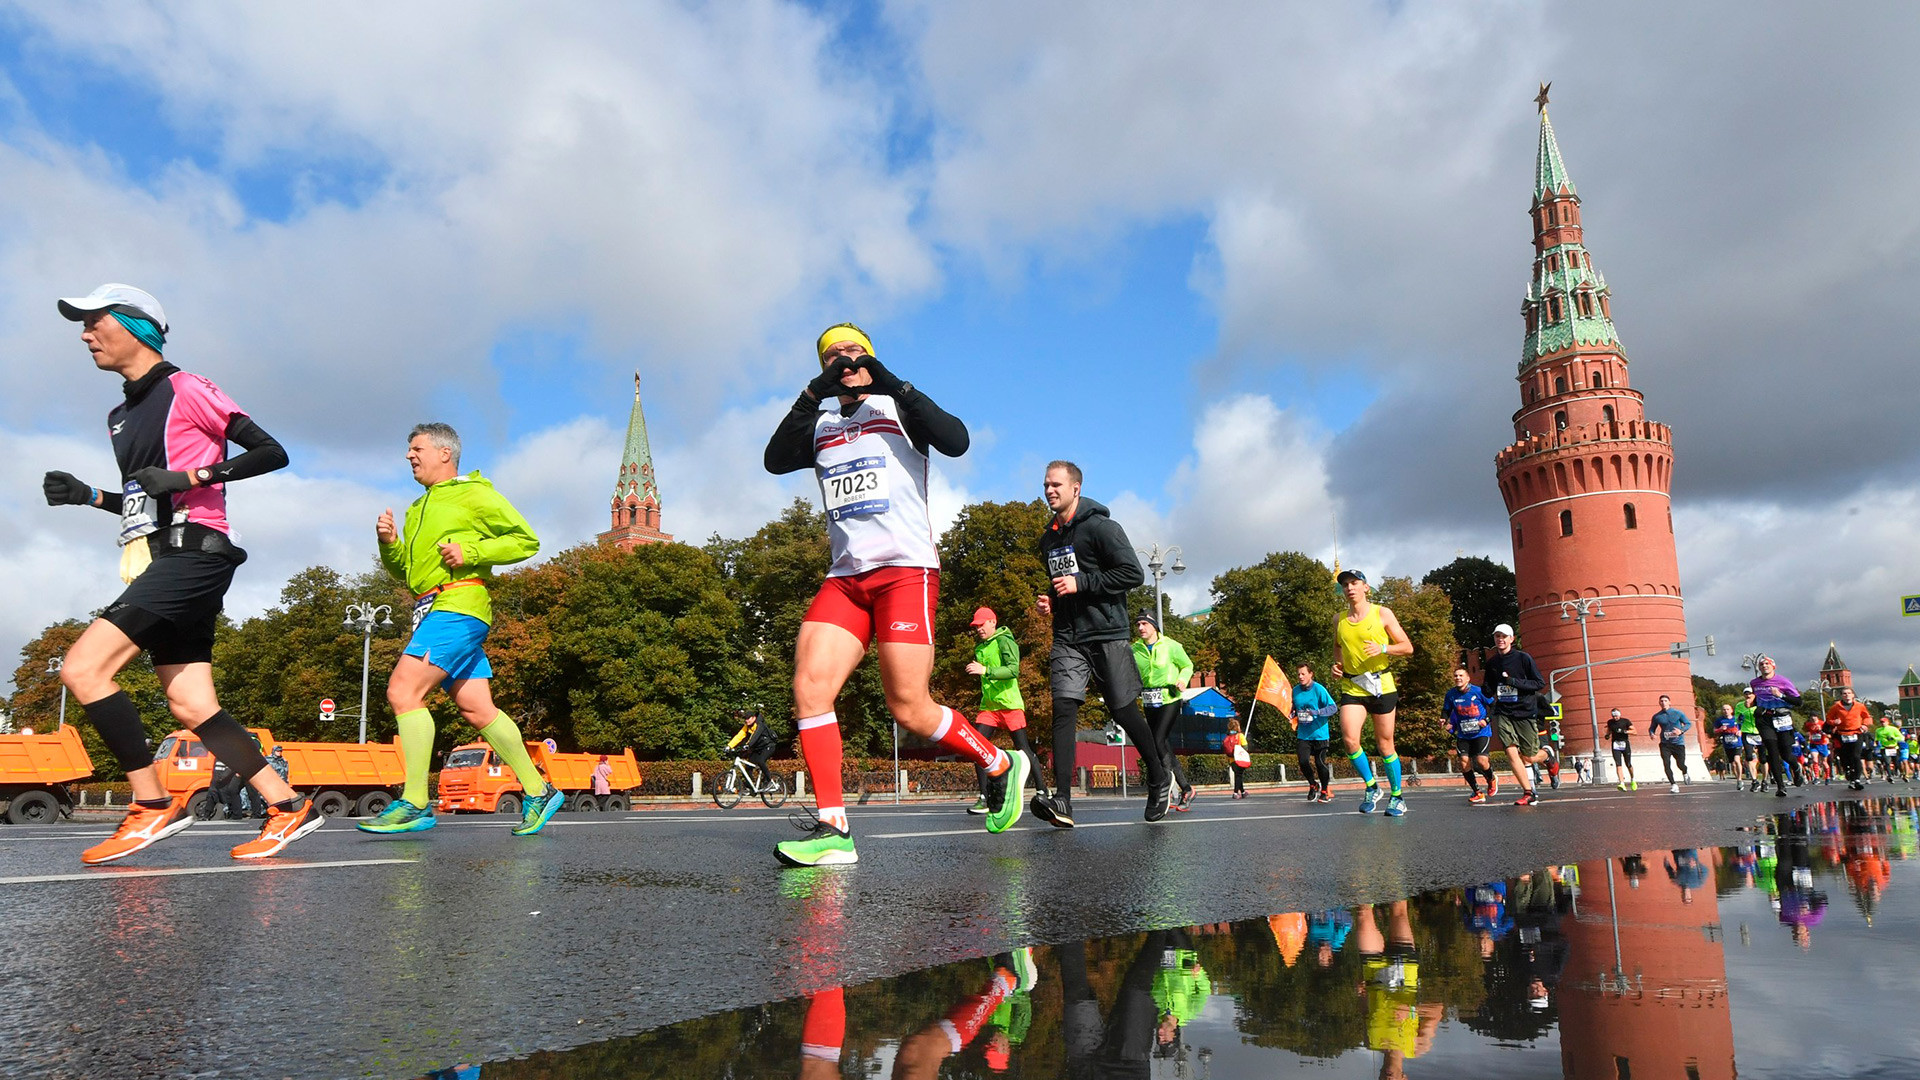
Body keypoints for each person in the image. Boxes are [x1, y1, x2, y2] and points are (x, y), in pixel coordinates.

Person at [43, 283, 321, 864]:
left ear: (136, 326)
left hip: (199, 553)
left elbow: (272, 452)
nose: (84, 333)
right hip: (164, 555)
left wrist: (194, 478)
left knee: (84, 668)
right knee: (192, 705)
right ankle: (290, 806)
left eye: (95, 321)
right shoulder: (119, 415)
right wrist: (91, 496)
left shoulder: (187, 387)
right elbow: (148, 500)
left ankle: (150, 804)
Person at [763, 324, 1025, 864]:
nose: (844, 361)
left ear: (872, 360)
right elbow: (773, 458)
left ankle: (999, 762)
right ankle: (834, 830)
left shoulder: (898, 407)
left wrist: (888, 381)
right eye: (832, 356)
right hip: (846, 577)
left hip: (905, 572)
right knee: (810, 689)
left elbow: (957, 440)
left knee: (909, 708)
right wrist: (813, 394)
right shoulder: (820, 422)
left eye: (854, 353)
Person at [359, 422, 557, 837]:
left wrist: (472, 551)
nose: (410, 456)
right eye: (408, 451)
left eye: (417, 449)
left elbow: (526, 540)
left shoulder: (476, 493)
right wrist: (389, 543)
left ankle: (414, 802)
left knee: (402, 691)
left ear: (444, 453)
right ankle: (539, 791)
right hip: (431, 606)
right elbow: (406, 573)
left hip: (459, 604)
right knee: (477, 710)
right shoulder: (416, 508)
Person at [1033, 460, 1168, 827]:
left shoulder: (1102, 528)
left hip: (1107, 633)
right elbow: (1061, 581)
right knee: (1063, 709)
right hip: (1067, 638)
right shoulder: (1049, 539)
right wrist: (1052, 600)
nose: (1049, 491)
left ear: (1076, 488)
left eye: (1056, 485)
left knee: (1123, 710)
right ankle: (1063, 800)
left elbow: (1132, 573)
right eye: (1046, 485)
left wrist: (1082, 584)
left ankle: (1158, 777)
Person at [1329, 569, 1415, 817]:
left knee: (1385, 744)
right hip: (1353, 684)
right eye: (1345, 585)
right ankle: (1371, 787)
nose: (1349, 588)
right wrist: (1337, 666)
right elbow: (1337, 647)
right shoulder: (1339, 619)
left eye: (1354, 583)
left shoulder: (1382, 613)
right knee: (1349, 739)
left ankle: (1397, 796)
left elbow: (1407, 647)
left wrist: (1383, 648)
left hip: (1381, 684)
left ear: (1366, 587)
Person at [965, 607, 1045, 814]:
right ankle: (984, 798)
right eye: (976, 626)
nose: (979, 629)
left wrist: (986, 670)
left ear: (993, 622)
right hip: (989, 706)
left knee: (1023, 749)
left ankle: (1043, 791)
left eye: (982, 625)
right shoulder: (981, 646)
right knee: (977, 749)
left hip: (1009, 704)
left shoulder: (1004, 640)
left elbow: (1013, 670)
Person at [1132, 612, 1195, 810]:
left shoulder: (1171, 646)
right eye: (1138, 625)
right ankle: (1186, 788)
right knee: (1163, 746)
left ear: (1154, 626)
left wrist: (1183, 680)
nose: (1141, 628)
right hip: (1149, 701)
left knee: (1157, 740)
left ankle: (1164, 783)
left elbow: (1187, 665)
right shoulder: (1134, 649)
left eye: (1144, 624)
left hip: (1170, 698)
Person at [1481, 623, 1546, 806]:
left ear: (1511, 639)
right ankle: (1528, 792)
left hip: (1524, 710)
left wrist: (1513, 681)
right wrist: (1484, 690)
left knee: (1530, 756)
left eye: (1504, 636)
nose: (1500, 640)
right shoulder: (1492, 663)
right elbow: (1488, 689)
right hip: (1504, 711)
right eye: (1497, 637)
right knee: (1510, 751)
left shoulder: (1523, 658)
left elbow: (1538, 683)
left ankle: (1547, 756)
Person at [1749, 656, 1803, 798]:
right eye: (1761, 664)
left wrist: (1780, 695)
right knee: (1772, 752)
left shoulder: (1783, 681)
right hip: (1765, 720)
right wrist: (1754, 705)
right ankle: (1781, 786)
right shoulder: (1755, 683)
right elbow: (1758, 699)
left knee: (1785, 754)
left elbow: (1798, 701)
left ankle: (1796, 767)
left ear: (1774, 666)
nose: (1764, 666)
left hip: (1782, 718)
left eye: (1767, 663)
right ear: (1759, 668)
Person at [1443, 668, 1497, 803]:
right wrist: (1443, 719)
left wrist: (1487, 720)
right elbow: (1446, 710)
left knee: (1481, 761)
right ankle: (1477, 792)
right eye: (1455, 676)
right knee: (1463, 762)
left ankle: (1491, 779)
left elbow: (1495, 705)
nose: (1458, 678)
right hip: (1463, 734)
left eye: (1461, 675)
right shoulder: (1451, 694)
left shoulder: (1478, 691)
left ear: (1468, 678)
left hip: (1481, 732)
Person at [1290, 663, 1337, 803]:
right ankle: (1313, 784)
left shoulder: (1319, 689)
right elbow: (1294, 707)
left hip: (1320, 734)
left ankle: (1324, 790)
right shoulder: (1295, 691)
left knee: (1320, 763)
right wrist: (1292, 713)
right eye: (1298, 674)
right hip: (1304, 734)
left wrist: (1317, 712)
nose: (1300, 676)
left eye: (1303, 674)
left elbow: (1333, 707)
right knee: (1303, 761)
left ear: (1311, 674)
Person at [1826, 687, 1872, 790]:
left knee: (1856, 756)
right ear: (1841, 696)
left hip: (1856, 732)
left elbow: (1867, 717)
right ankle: (1848, 773)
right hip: (1842, 734)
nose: (1847, 695)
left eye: (1849, 693)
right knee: (1845, 757)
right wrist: (1834, 722)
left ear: (1853, 695)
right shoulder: (1836, 707)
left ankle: (1857, 780)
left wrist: (1865, 725)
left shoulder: (1860, 706)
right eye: (1844, 694)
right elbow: (1829, 719)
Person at [1648, 694, 1692, 792]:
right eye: (1661, 701)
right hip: (1665, 744)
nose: (1663, 703)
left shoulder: (1677, 713)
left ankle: (1685, 772)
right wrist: (1652, 734)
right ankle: (1673, 784)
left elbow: (1688, 723)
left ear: (1669, 702)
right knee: (1666, 764)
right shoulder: (1657, 716)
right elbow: (1652, 728)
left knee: (1680, 764)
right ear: (1659, 703)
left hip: (1678, 743)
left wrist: (1681, 731)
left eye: (1665, 701)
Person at [725, 709, 779, 784]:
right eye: (745, 719)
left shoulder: (759, 725)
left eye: (748, 718)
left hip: (768, 746)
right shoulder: (746, 727)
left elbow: (755, 736)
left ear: (754, 718)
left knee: (760, 761)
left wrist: (748, 745)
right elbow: (739, 736)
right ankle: (751, 786)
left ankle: (769, 780)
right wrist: (729, 746)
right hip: (758, 748)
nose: (746, 721)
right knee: (748, 766)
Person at [1736, 688, 1763, 791]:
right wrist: (1740, 719)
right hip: (1747, 732)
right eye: (1745, 694)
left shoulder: (1760, 704)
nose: (1748, 695)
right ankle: (1755, 780)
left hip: (1759, 731)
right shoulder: (1739, 705)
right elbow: (1736, 719)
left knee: (1764, 758)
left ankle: (1766, 779)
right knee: (1749, 757)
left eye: (1750, 693)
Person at [1605, 709, 1637, 790]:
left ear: (1619, 714)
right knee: (1618, 764)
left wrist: (1625, 731)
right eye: (1613, 716)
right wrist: (1607, 735)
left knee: (1628, 764)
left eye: (1616, 715)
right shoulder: (1610, 722)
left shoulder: (1625, 721)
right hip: (1615, 745)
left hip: (1625, 744)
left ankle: (1633, 779)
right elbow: (1609, 730)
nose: (1615, 717)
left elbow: (1635, 732)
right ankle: (1622, 783)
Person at [1873, 713, 1906, 784]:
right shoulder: (1878, 730)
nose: (1882, 723)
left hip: (1894, 748)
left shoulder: (1893, 729)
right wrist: (1875, 744)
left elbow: (1901, 738)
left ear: (1888, 722)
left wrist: (1893, 738)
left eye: (1884, 722)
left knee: (1897, 763)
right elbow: (1877, 739)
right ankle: (1890, 776)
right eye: (1881, 722)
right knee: (1887, 762)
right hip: (1884, 748)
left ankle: (1903, 774)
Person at [1711, 706, 1742, 781]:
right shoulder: (1719, 720)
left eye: (1728, 709)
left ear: (1731, 710)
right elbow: (1714, 731)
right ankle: (1737, 778)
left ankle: (1740, 779)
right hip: (1727, 745)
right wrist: (1720, 729)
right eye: (1724, 709)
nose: (1726, 711)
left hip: (1737, 743)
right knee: (1733, 764)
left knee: (1737, 760)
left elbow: (1743, 728)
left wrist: (1740, 732)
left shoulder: (1736, 719)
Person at [1224, 717, 1250, 798]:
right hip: (1240, 759)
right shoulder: (1240, 736)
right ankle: (1235, 793)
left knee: (1238, 775)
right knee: (1238, 776)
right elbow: (1245, 747)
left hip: (1231, 760)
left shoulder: (1227, 737)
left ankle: (1242, 792)